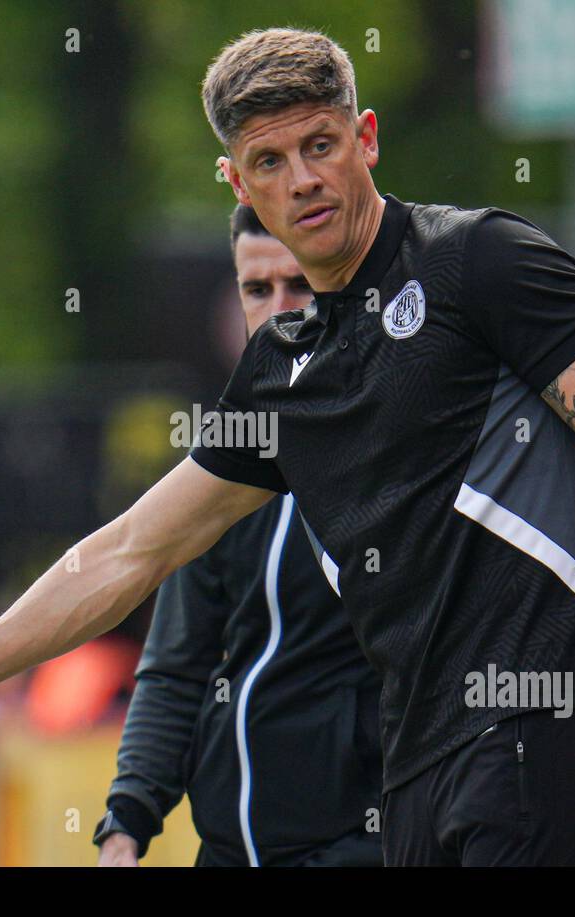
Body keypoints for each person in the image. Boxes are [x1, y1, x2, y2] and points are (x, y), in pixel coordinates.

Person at [0, 27, 575, 867]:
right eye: (271, 160)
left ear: (366, 139)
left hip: (536, 732)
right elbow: (128, 552)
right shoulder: (281, 370)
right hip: (416, 769)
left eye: (321, 145)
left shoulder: (479, 261)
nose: (302, 179)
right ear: (237, 183)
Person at [96, 204, 382, 867]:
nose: (280, 310)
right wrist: (124, 824)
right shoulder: (220, 463)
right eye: (258, 290)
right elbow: (176, 665)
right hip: (231, 851)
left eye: (300, 284)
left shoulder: (405, 452)